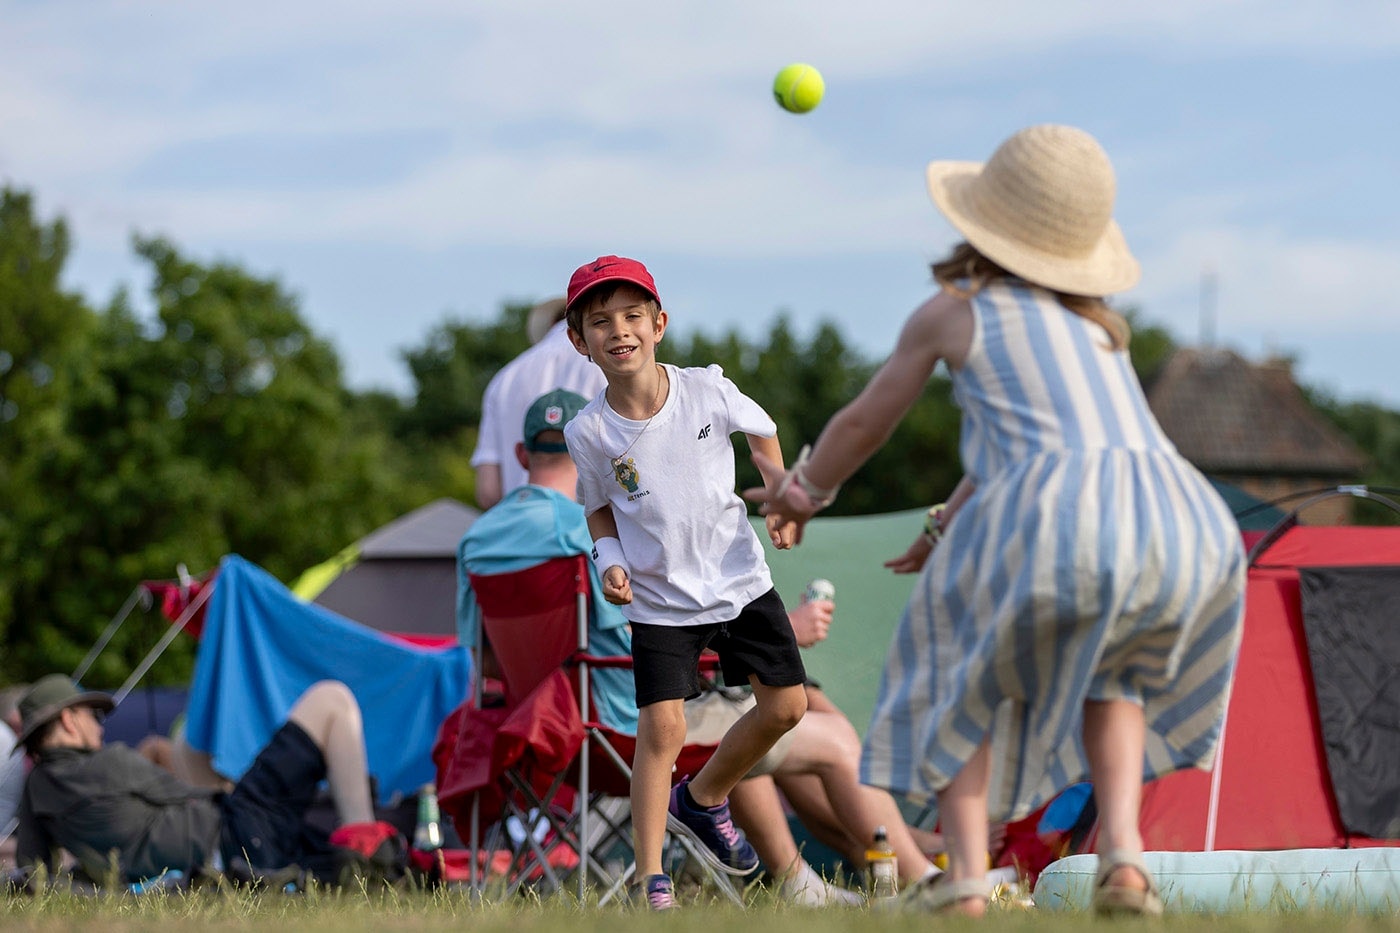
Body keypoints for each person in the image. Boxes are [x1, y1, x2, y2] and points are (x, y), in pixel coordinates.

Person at [746, 124, 1246, 917]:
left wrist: (804, 491)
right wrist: (944, 528)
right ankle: (1123, 856)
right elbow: (1044, 455)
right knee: (1113, 676)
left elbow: (865, 423)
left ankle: (967, 877)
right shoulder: (1099, 329)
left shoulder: (955, 309)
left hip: (1060, 513)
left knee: (956, 672)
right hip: (1182, 519)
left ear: (984, 224)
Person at [457, 389, 883, 905]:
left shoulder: (476, 542)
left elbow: (478, 656)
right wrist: (778, 631)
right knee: (829, 736)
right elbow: (636, 634)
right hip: (616, 722)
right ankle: (900, 871)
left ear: (522, 456)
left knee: (753, 713)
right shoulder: (592, 529)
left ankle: (792, 870)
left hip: (544, 734)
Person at [559, 256, 810, 910]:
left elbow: (763, 432)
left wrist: (779, 497)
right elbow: (597, 507)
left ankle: (701, 798)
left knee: (788, 708)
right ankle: (652, 882)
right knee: (661, 728)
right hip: (660, 595)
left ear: (659, 323)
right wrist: (609, 558)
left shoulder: (707, 388)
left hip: (738, 577)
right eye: (600, 321)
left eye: (633, 316)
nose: (620, 330)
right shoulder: (587, 432)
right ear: (578, 341)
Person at [14, 674, 397, 886]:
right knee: (331, 699)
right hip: (239, 835)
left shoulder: (35, 792)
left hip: (227, 862)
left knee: (182, 743)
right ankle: (363, 839)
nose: (99, 727)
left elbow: (33, 872)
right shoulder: (111, 762)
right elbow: (196, 796)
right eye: (91, 717)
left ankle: (360, 859)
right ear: (68, 721)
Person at [471, 296, 607, 509]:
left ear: (550, 323)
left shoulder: (504, 378)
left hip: (521, 526)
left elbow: (489, 491)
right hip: (594, 530)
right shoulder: (608, 364)